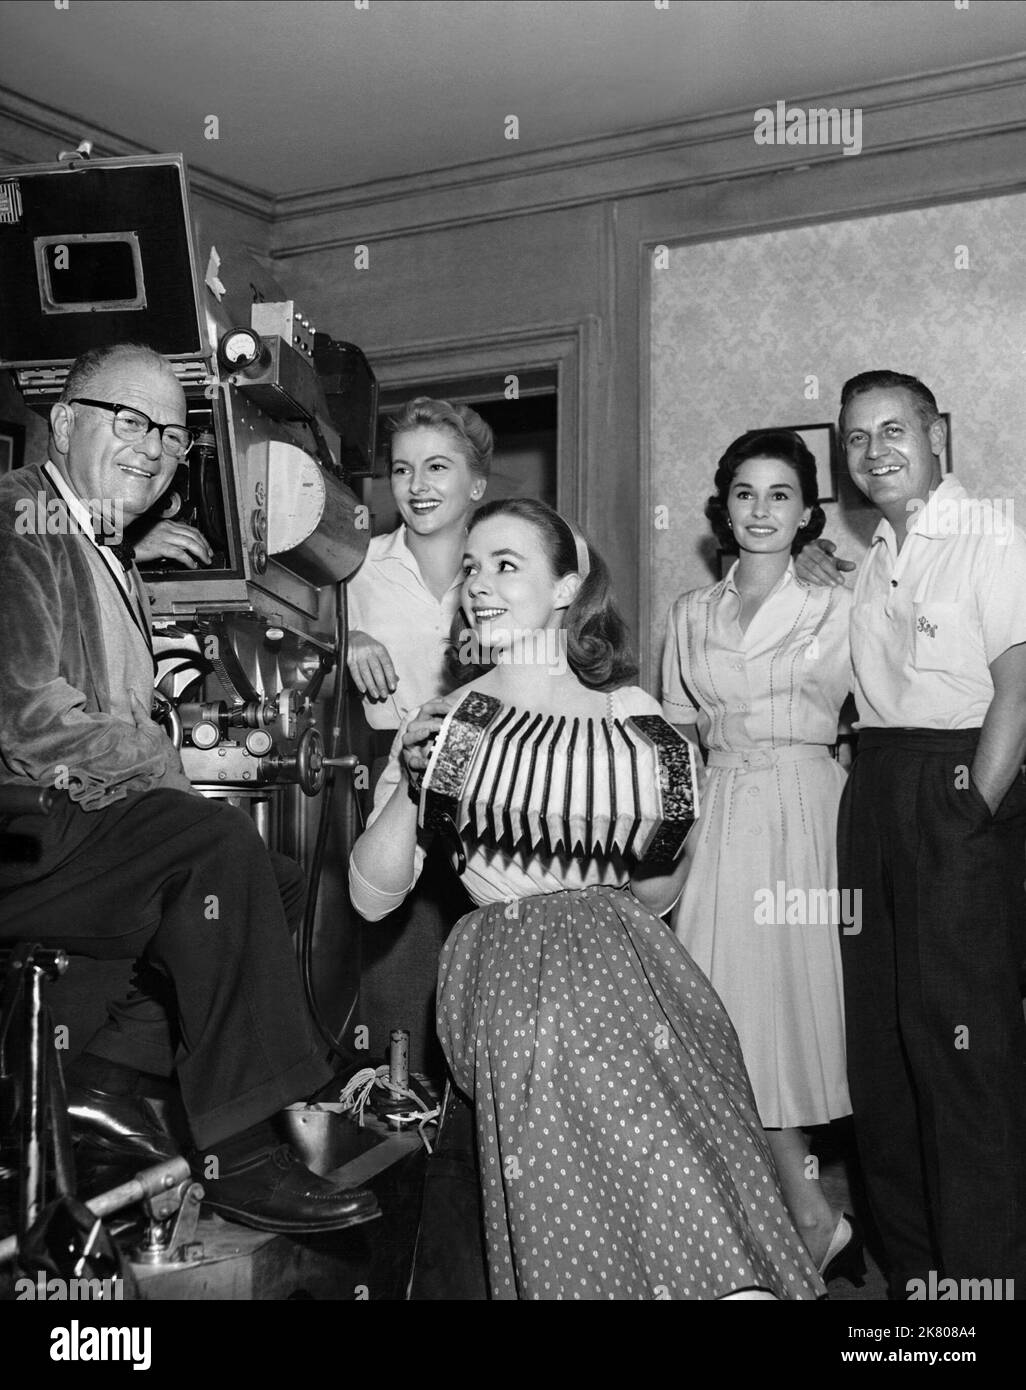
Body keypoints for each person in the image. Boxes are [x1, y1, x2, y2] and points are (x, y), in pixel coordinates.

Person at [349, 496, 824, 1299]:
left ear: (567, 588)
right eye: (471, 567)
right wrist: (410, 780)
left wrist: (676, 817)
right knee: (631, 1143)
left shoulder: (630, 716)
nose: (480, 586)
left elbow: (659, 895)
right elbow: (369, 899)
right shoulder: (450, 720)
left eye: (508, 566)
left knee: (697, 1122)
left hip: (633, 968)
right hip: (513, 969)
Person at [0, 342, 376, 1233]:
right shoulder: (19, 517)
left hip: (72, 820)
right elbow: (27, 712)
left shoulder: (105, 547)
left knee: (275, 880)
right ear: (64, 421)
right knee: (214, 852)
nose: (153, 446)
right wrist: (165, 776)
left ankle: (103, 1085)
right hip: (26, 821)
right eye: (127, 420)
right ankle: (242, 1149)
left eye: (170, 432)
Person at [802, 369, 1026, 1296]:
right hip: (880, 785)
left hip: (959, 780)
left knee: (962, 1049)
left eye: (894, 430)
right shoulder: (877, 551)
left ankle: (983, 1285)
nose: (875, 452)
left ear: (938, 435)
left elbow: (1021, 681)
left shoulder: (991, 532)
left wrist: (973, 807)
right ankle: (917, 1277)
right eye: (856, 439)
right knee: (883, 1049)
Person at [662, 430, 860, 1284]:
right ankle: (792, 1221)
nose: (761, 510)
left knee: (799, 1011)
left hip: (811, 807)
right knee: (722, 1019)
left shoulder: (840, 599)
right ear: (724, 507)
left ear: (809, 512)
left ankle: (805, 1215)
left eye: (781, 495)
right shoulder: (692, 613)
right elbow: (674, 732)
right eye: (746, 493)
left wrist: (847, 570)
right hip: (720, 811)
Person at [346, 398, 491, 1077]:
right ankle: (399, 1132)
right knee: (398, 981)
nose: (417, 484)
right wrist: (344, 638)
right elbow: (285, 625)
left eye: (438, 466)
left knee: (490, 981)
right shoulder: (356, 567)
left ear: (478, 484)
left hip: (497, 786)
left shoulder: (510, 566)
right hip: (398, 782)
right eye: (402, 469)